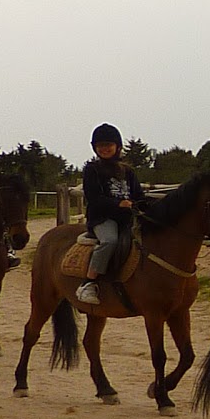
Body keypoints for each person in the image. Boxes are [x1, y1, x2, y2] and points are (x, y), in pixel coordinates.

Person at [76, 123, 144, 305]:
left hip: (127, 217)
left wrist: (140, 205)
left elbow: (138, 194)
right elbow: (94, 197)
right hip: (102, 217)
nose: (105, 149)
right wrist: (118, 204)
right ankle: (88, 282)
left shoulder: (128, 171)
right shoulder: (93, 170)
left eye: (108, 145)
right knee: (110, 241)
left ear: (117, 146)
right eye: (100, 146)